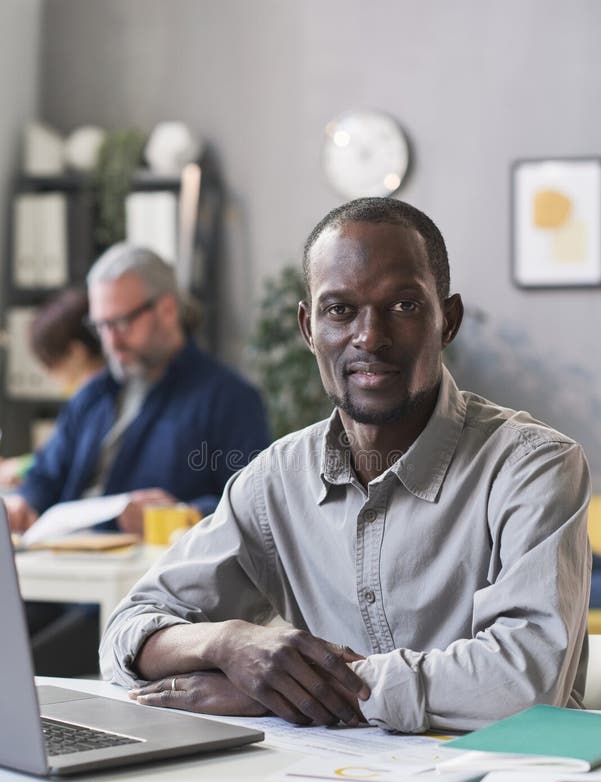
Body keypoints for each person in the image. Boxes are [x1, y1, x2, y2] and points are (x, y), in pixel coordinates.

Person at [100, 198, 591, 734]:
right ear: (309, 328)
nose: (369, 336)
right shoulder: (274, 482)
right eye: (340, 309)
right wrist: (229, 642)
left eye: (403, 305)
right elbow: (126, 631)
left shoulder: (533, 467)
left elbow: (524, 681)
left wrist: (285, 692)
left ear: (446, 321)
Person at [4, 244, 270, 536]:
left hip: (154, 570)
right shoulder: (92, 396)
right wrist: (24, 502)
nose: (111, 341)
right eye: (101, 326)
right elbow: (46, 473)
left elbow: (253, 508)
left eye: (121, 323)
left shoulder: (229, 401)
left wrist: (182, 515)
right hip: (65, 561)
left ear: (167, 310)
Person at [0, 288, 104, 487]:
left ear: (76, 353)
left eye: (50, 363)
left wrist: (18, 469)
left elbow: (65, 463)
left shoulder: (92, 401)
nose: (49, 374)